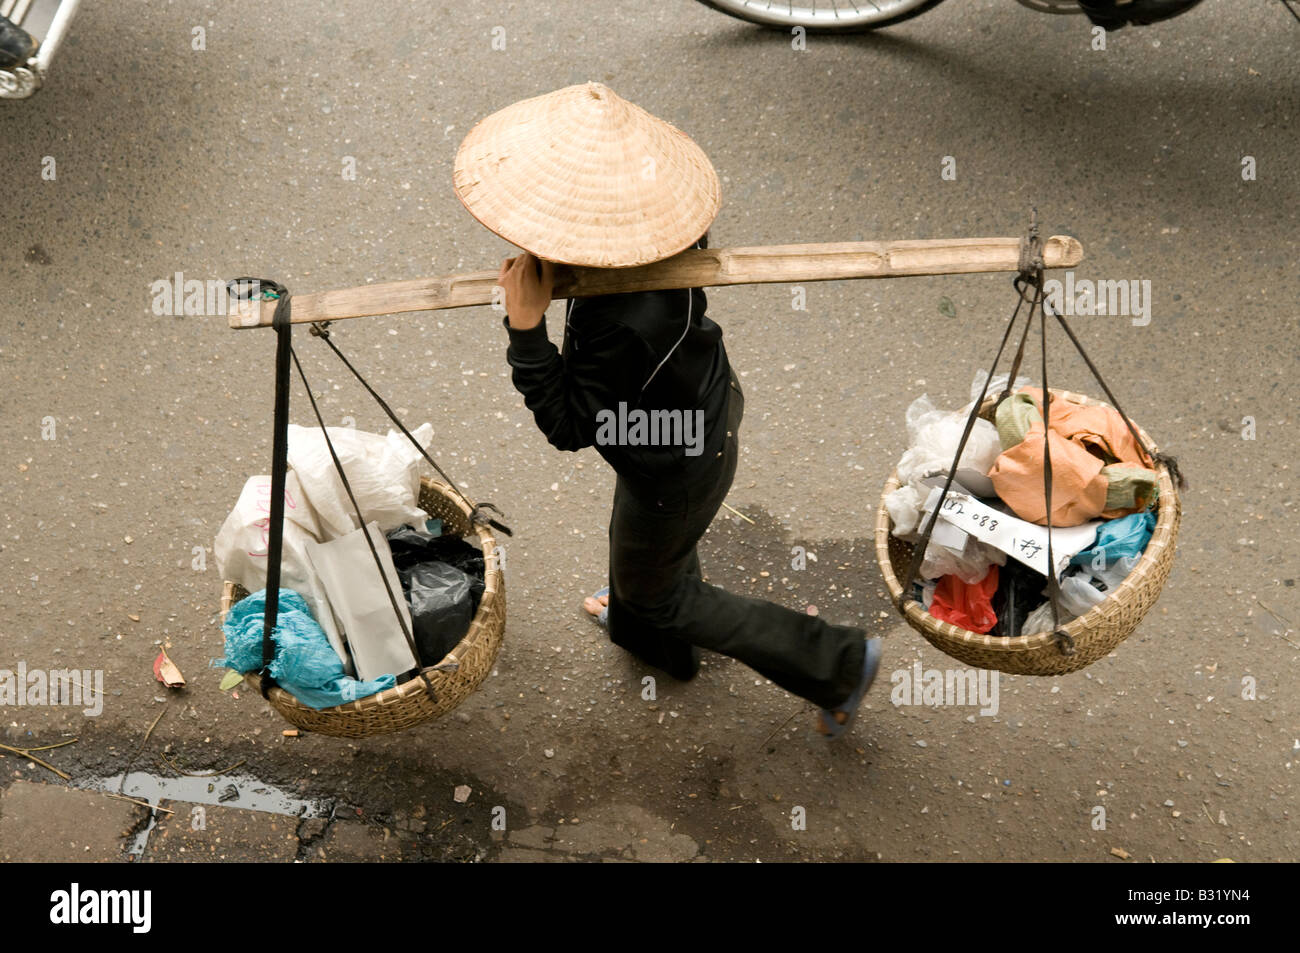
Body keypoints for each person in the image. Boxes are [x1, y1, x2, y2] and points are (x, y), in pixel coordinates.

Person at [455, 83, 881, 737]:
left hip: (673, 457)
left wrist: (526, 329)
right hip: (687, 410)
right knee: (646, 550)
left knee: (659, 586)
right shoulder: (659, 229)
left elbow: (571, 424)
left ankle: (840, 662)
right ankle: (643, 625)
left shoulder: (623, 323)